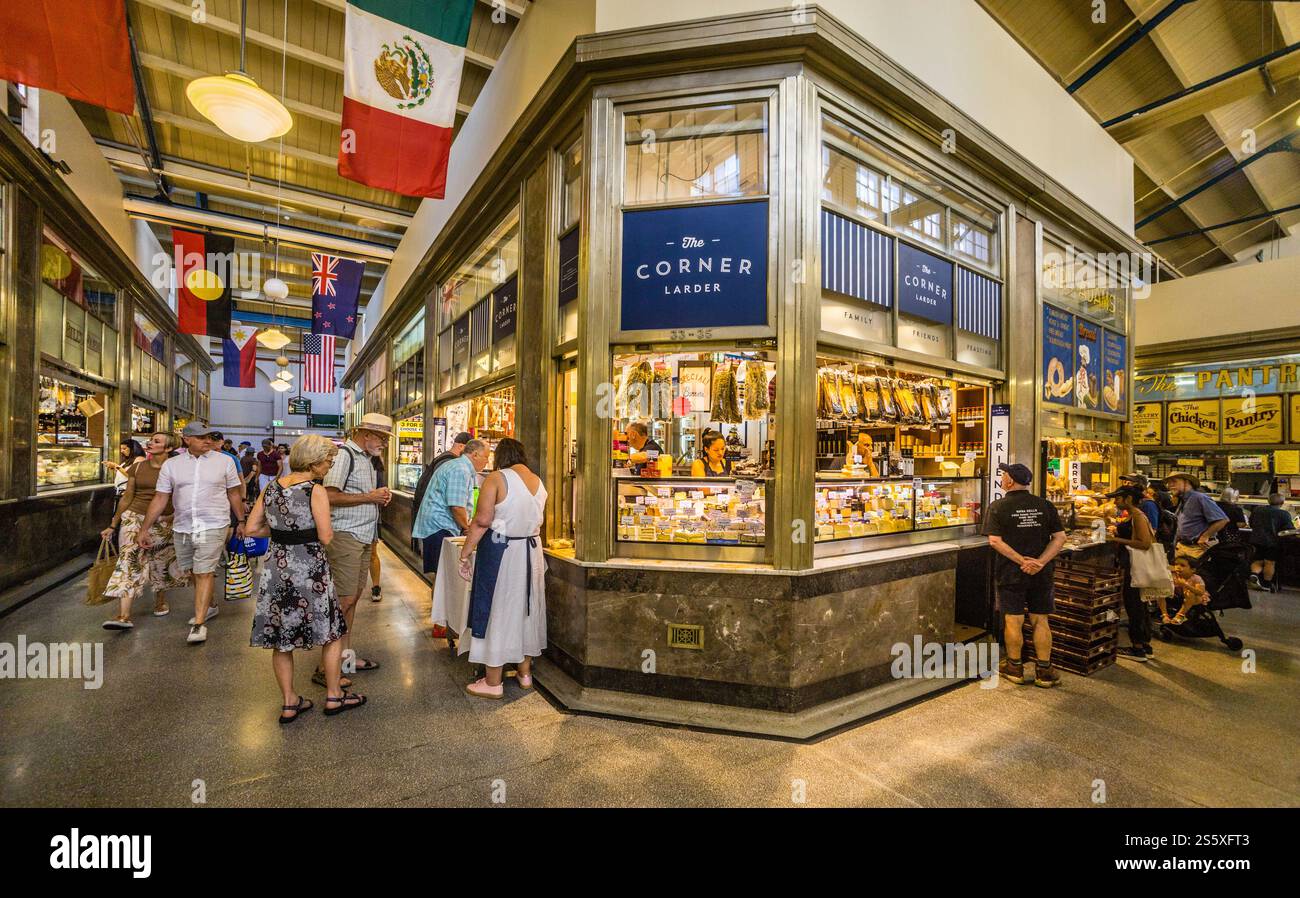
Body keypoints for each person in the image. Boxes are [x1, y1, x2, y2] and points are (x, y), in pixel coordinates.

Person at [246, 434, 363, 722]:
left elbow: (251, 528)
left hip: (277, 568)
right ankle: (334, 695)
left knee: (281, 637)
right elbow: (325, 535)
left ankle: (289, 701)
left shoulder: (271, 488)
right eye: (328, 462)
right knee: (330, 631)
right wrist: (304, 537)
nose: (329, 467)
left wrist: (281, 535)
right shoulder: (315, 491)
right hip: (310, 569)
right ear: (313, 462)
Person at [138, 422, 246, 645]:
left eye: (209, 437)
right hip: (183, 526)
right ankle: (210, 605)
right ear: (187, 439)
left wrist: (242, 521)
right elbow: (160, 498)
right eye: (201, 437)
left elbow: (234, 493)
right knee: (191, 572)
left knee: (204, 571)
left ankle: (199, 624)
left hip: (214, 523)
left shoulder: (224, 461)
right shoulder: (172, 465)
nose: (207, 441)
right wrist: (144, 528)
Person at [457, 438, 547, 699]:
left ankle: (493, 681)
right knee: (527, 610)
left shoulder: (496, 478)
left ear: (500, 457)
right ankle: (525, 673)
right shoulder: (538, 481)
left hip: (503, 552)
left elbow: (482, 520)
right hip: (531, 552)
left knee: (498, 609)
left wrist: (465, 552)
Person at [321, 413, 394, 679]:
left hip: (363, 535)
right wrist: (369, 496)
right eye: (382, 438)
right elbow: (329, 495)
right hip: (346, 535)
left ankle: (345, 660)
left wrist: (376, 498)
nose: (384, 443)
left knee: (351, 601)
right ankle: (325, 667)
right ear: (367, 435)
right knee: (344, 600)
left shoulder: (367, 460)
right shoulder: (344, 456)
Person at [983, 462, 1067, 688]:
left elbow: (994, 541)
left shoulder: (998, 507)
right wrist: (1039, 562)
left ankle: (1015, 667)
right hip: (1042, 574)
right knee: (1041, 619)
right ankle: (1044, 671)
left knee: (1013, 619)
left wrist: (1022, 562)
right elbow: (1060, 538)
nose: (1002, 479)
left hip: (1011, 573)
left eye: (1003, 475)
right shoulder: (1045, 505)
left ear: (1010, 480)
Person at [100, 432, 190, 629]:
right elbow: (128, 496)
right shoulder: (138, 466)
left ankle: (160, 600)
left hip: (163, 520)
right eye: (150, 440)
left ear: (168, 448)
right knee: (129, 560)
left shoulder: (177, 470)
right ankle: (123, 615)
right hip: (135, 516)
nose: (150, 443)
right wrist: (113, 523)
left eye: (156, 441)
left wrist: (172, 517)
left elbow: (183, 498)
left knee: (161, 561)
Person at [1105, 485, 1168, 661]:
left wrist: (1114, 538)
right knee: (1139, 605)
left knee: (1135, 605)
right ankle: (1145, 645)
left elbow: (1145, 543)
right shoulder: (1134, 515)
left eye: (1118, 498)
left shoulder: (1139, 516)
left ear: (1129, 499)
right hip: (1133, 565)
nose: (1115, 501)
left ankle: (1137, 648)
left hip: (1135, 566)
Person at [415, 439, 489, 576]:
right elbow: (456, 506)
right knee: (443, 576)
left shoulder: (460, 467)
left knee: (442, 577)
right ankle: (438, 598)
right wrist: (468, 529)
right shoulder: (460, 470)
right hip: (439, 528)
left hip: (439, 527)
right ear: (475, 454)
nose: (487, 461)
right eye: (486, 457)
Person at [1165, 472, 1228, 561]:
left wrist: (1205, 536)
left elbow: (1223, 520)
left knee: (1196, 574)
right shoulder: (1183, 500)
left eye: (1174, 481)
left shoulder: (1199, 498)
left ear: (1186, 482)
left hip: (1197, 548)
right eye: (1168, 482)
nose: (1169, 485)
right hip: (1183, 546)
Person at [1249, 494, 1295, 591]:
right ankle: (1266, 584)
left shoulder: (1258, 510)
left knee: (1257, 560)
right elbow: (1289, 530)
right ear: (1282, 503)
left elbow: (1251, 523)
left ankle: (1254, 575)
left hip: (1256, 540)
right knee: (1269, 562)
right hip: (1273, 541)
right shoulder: (1284, 514)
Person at [1163, 556, 1209, 625]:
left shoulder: (1196, 578)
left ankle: (1181, 615)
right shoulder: (1174, 574)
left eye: (1182, 565)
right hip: (1178, 595)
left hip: (1195, 598)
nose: (1178, 567)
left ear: (1193, 570)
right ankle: (1164, 614)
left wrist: (1185, 585)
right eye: (1176, 564)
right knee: (1160, 589)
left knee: (1190, 593)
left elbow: (1200, 592)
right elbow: (1164, 567)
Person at [368, 450, 386, 601]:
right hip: (353, 519)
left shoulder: (377, 468)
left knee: (372, 552)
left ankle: (376, 586)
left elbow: (383, 490)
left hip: (372, 515)